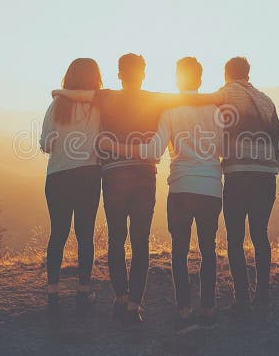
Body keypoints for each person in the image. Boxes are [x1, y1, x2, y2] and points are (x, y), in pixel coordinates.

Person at [53, 53, 217, 330]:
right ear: (143, 74)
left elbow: (80, 95)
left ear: (119, 74)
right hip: (144, 176)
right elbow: (192, 98)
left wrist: (60, 92)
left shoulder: (105, 97)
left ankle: (121, 295)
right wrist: (219, 97)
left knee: (116, 239)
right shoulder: (156, 99)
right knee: (141, 243)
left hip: (114, 175)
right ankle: (134, 305)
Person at [104, 57, 222, 334]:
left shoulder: (171, 111)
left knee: (179, 252)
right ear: (201, 79)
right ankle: (208, 308)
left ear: (178, 80)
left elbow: (153, 151)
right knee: (209, 249)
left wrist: (115, 147)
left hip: (181, 186)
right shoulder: (217, 109)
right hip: (211, 187)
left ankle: (184, 310)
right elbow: (227, 144)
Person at [218, 56, 279, 317]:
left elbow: (215, 132)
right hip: (265, 177)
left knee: (235, 238)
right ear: (247, 74)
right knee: (260, 235)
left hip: (237, 175)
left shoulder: (223, 95)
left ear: (226, 74)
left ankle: (242, 298)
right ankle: (263, 297)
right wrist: (272, 166)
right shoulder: (266, 100)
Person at [39, 58, 103, 317]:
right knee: (85, 235)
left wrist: (59, 141)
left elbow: (45, 144)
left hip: (58, 177)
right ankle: (83, 290)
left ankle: (53, 292)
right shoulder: (100, 107)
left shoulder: (57, 106)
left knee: (58, 234)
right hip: (88, 175)